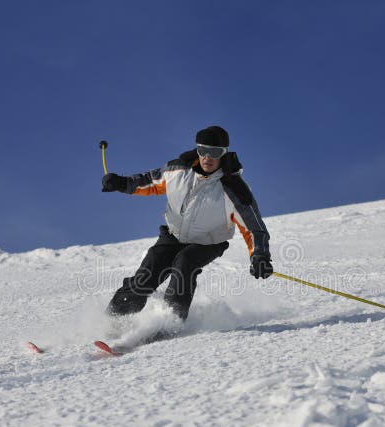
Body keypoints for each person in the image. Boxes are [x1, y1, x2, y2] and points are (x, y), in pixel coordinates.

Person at [101, 125, 273, 324]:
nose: (207, 157)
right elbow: (149, 181)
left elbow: (254, 228)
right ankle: (114, 319)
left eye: (215, 152)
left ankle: (170, 321)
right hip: (173, 235)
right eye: (203, 151)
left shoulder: (234, 189)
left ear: (224, 154)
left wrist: (259, 255)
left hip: (208, 242)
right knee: (146, 277)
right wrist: (120, 183)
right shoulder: (178, 170)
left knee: (185, 262)